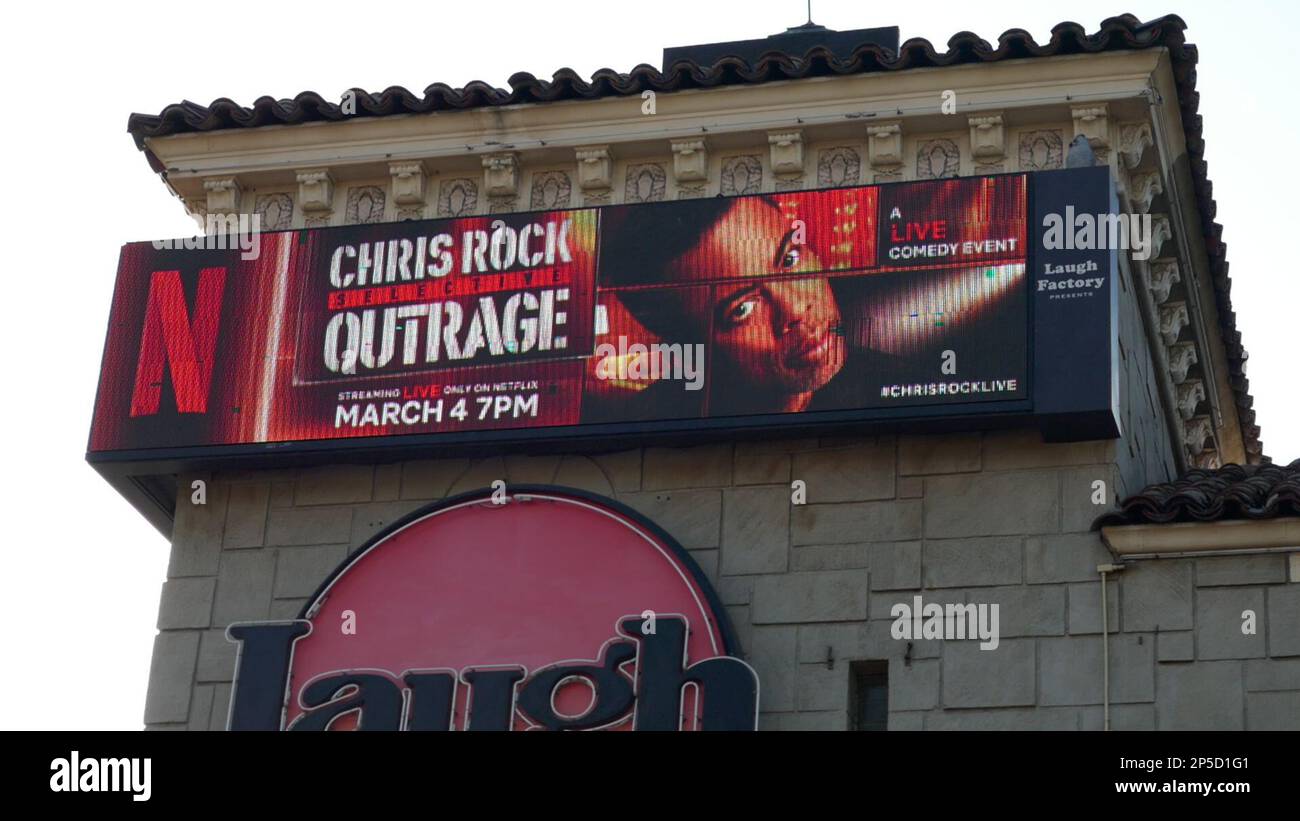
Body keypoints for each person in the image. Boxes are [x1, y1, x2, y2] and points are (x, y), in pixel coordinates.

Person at [589, 195, 873, 420]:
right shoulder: (647, 431)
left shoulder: (898, 387)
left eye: (789, 260)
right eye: (742, 310)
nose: (795, 309)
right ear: (685, 341)